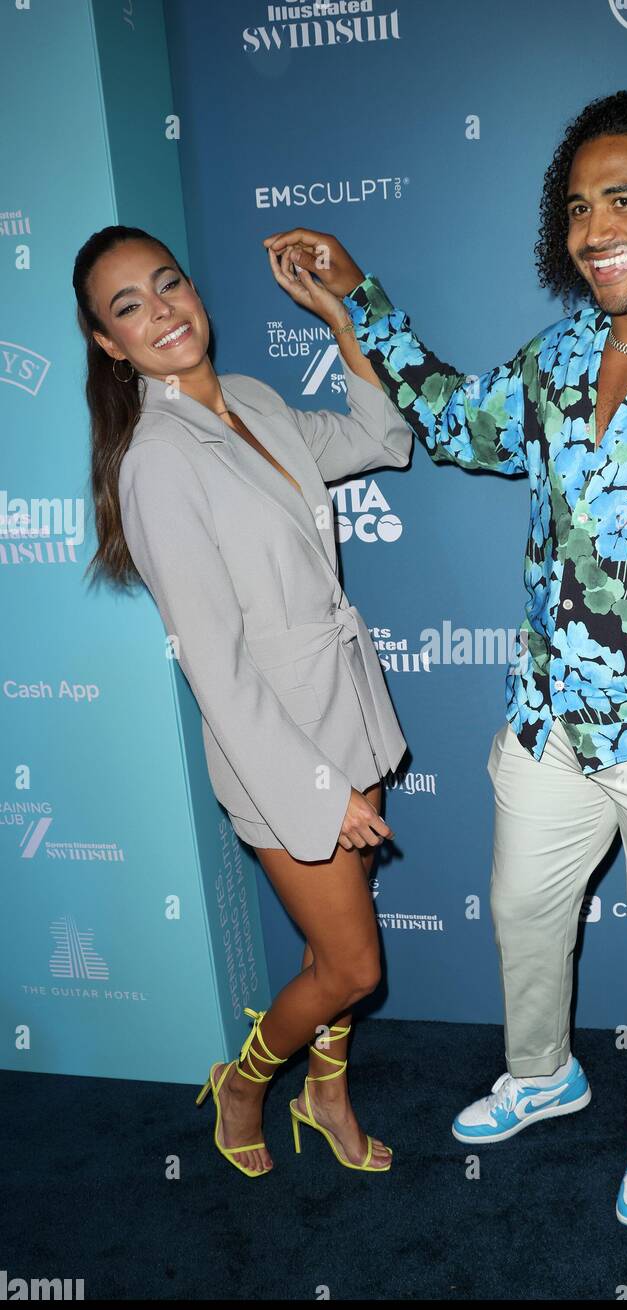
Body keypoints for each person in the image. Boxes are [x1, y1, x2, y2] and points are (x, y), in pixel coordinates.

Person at [264, 78, 627, 1226]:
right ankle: (544, 1073)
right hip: (547, 726)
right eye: (579, 206)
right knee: (522, 916)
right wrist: (356, 301)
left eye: (623, 199)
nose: (594, 229)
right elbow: (449, 416)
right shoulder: (561, 358)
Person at [76, 224, 415, 1177]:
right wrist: (320, 791)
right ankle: (248, 1079)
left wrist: (337, 319)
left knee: (332, 947)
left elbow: (383, 438)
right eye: (128, 308)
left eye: (167, 284)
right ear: (111, 345)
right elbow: (215, 667)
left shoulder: (257, 401)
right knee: (352, 968)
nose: (161, 311)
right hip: (279, 755)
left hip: (345, 709)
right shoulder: (155, 460)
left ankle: (328, 1090)